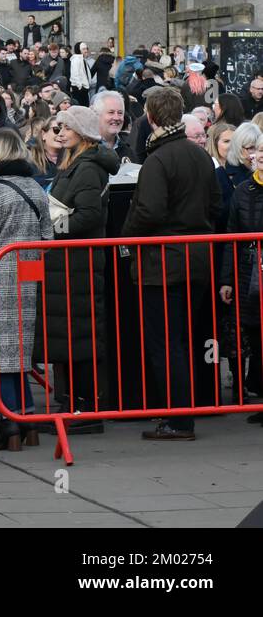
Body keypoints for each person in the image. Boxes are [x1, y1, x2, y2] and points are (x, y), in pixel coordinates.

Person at [122, 86, 220, 441]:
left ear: (150, 117)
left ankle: (178, 419)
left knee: (166, 343)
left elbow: (149, 210)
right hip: (194, 256)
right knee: (179, 339)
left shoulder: (159, 160)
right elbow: (215, 202)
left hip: (164, 262)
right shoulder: (198, 156)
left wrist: (126, 234)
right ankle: (182, 414)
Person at [0, 128, 54, 452]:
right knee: (19, 354)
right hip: (27, 277)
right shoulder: (36, 188)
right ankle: (27, 421)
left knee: (0, 356)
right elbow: (48, 238)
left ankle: (10, 423)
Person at [35, 107, 118, 432]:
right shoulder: (75, 165)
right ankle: (71, 404)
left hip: (77, 265)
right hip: (67, 265)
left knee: (78, 337)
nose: (59, 131)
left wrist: (53, 226)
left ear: (81, 132)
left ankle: (84, 409)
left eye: (65, 127)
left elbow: (88, 215)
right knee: (67, 337)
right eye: (57, 126)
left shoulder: (86, 168)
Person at [217, 143, 263, 413]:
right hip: (246, 272)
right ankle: (240, 390)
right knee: (242, 334)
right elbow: (231, 236)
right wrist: (226, 280)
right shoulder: (242, 192)